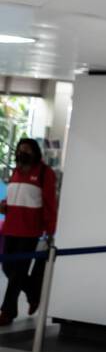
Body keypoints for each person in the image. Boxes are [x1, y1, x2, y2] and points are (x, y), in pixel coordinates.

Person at [0, 139, 58, 326]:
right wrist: (5, 206)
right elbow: (16, 196)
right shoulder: (17, 171)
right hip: (10, 228)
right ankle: (33, 292)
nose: (21, 153)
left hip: (29, 231)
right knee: (7, 268)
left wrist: (50, 230)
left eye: (26, 150)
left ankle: (7, 312)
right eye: (19, 150)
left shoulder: (44, 173)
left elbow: (50, 204)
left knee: (17, 272)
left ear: (35, 152)